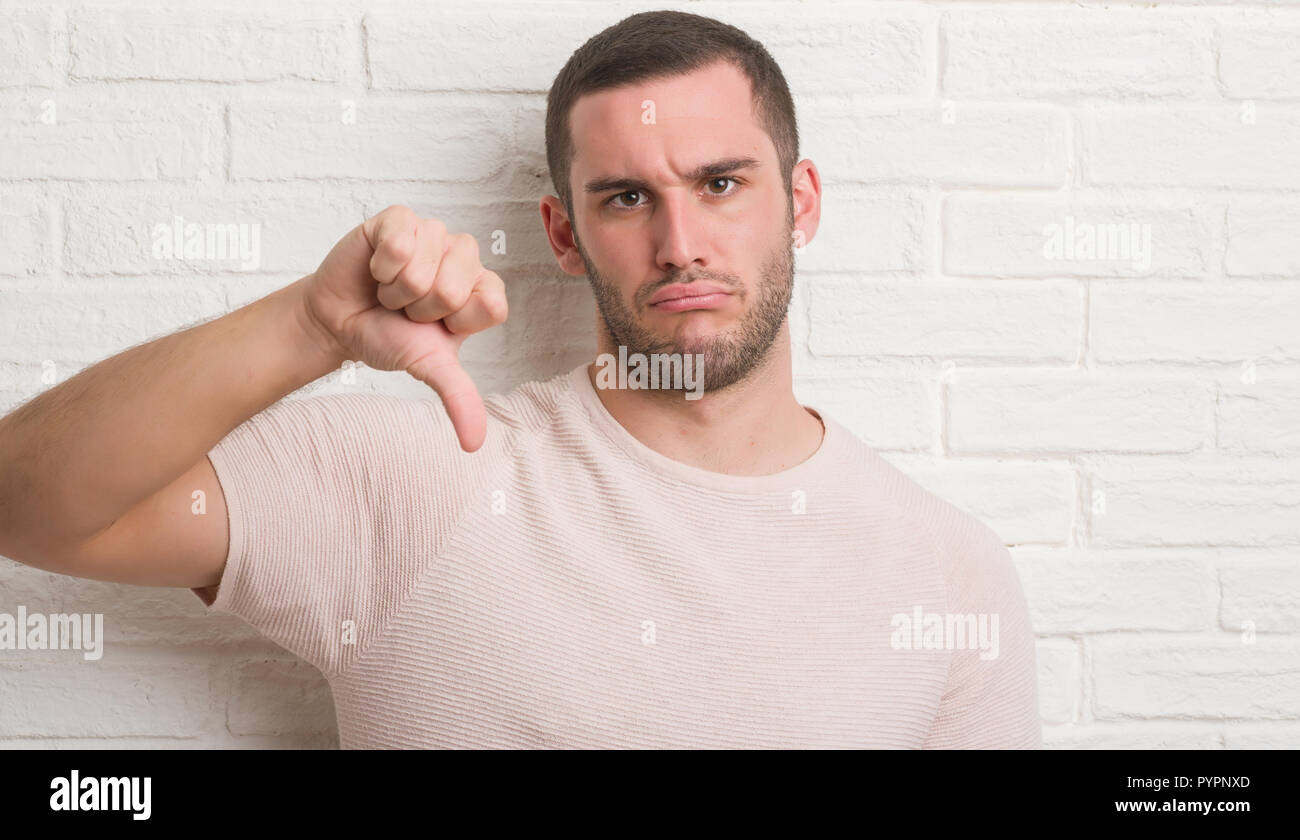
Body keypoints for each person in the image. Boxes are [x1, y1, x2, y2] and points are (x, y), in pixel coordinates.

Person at [0, 10, 1040, 748]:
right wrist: (308, 325)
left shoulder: (946, 574)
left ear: (800, 200)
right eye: (628, 197)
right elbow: (24, 502)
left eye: (720, 184)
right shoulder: (420, 480)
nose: (680, 242)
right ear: (563, 233)